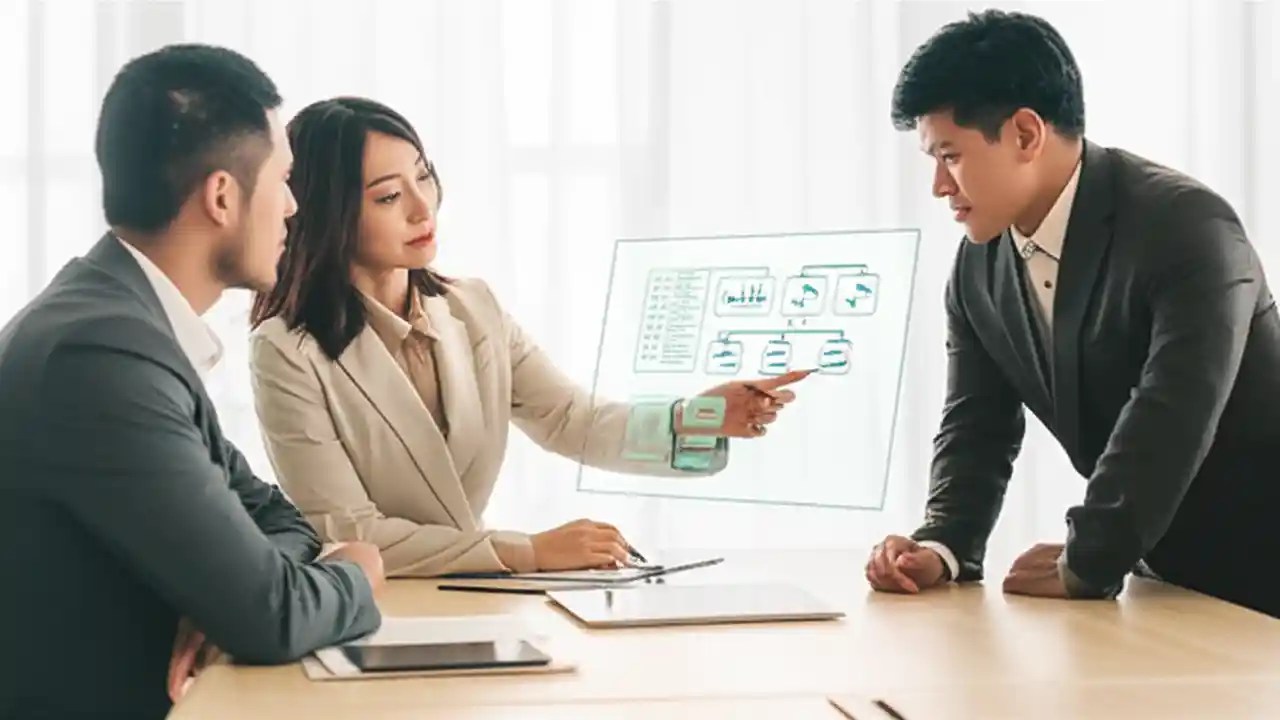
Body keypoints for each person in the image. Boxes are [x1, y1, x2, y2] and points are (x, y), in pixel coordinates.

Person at [249, 96, 810, 577]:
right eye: (389, 196)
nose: (424, 206)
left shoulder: (474, 308)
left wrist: (699, 416)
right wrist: (529, 552)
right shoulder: (285, 351)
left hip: (478, 598)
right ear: (329, 213)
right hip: (374, 605)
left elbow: (573, 420)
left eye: (424, 176)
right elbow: (347, 530)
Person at [0, 45, 385, 719]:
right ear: (222, 196)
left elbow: (275, 516)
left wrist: (227, 590)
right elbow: (274, 617)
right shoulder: (101, 354)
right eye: (284, 179)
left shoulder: (118, 320)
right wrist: (358, 569)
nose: (294, 207)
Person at [866, 9, 1280, 618]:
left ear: (1026, 134)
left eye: (950, 155)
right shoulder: (979, 265)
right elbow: (976, 423)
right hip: (1166, 583)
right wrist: (943, 544)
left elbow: (1172, 412)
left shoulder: (1188, 227)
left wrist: (1088, 557)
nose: (938, 185)